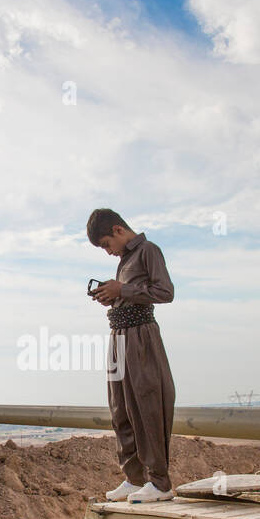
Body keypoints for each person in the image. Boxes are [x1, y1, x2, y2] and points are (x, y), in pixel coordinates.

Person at [87, 208, 176, 503]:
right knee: (120, 409)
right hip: (118, 335)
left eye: (106, 245)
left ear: (118, 230)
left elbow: (165, 292)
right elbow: (131, 292)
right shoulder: (124, 260)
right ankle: (134, 478)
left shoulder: (149, 251)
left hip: (141, 336)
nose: (107, 252)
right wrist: (112, 295)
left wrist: (122, 288)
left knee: (146, 406)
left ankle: (160, 483)